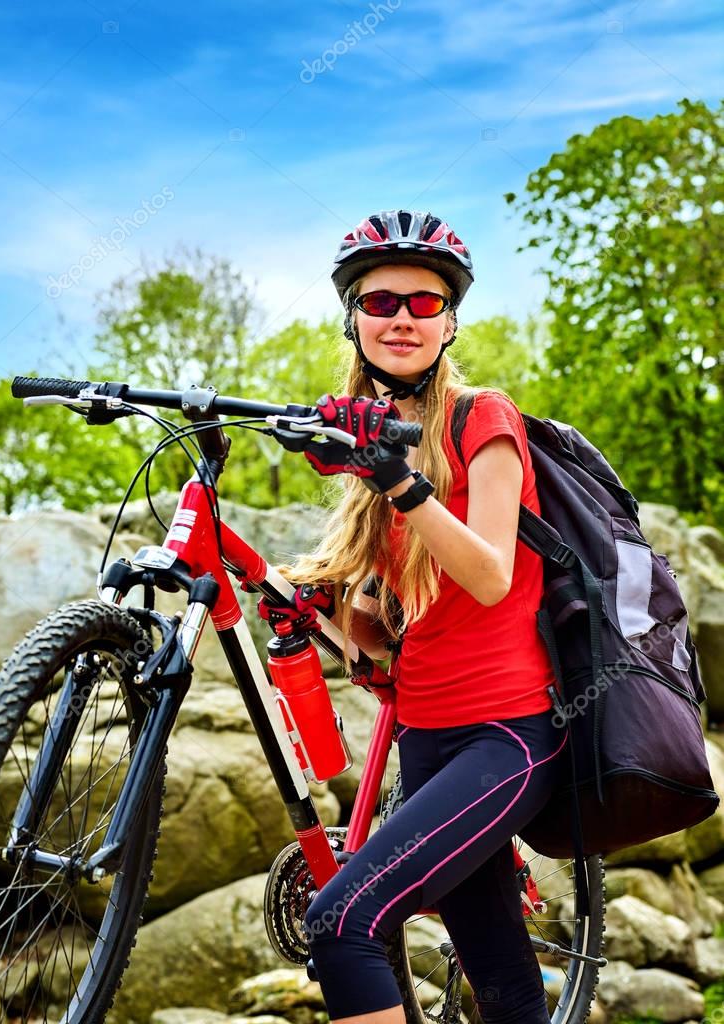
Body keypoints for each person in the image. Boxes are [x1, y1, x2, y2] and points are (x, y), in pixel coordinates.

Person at [275, 210, 569, 1024]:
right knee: (503, 982)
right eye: (380, 301)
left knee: (342, 924)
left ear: (448, 321)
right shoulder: (363, 439)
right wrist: (315, 608)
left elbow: (487, 573)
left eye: (423, 302)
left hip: (505, 734)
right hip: (426, 740)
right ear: (353, 319)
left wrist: (398, 480)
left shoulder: (483, 417)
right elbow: (377, 634)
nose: (401, 316)